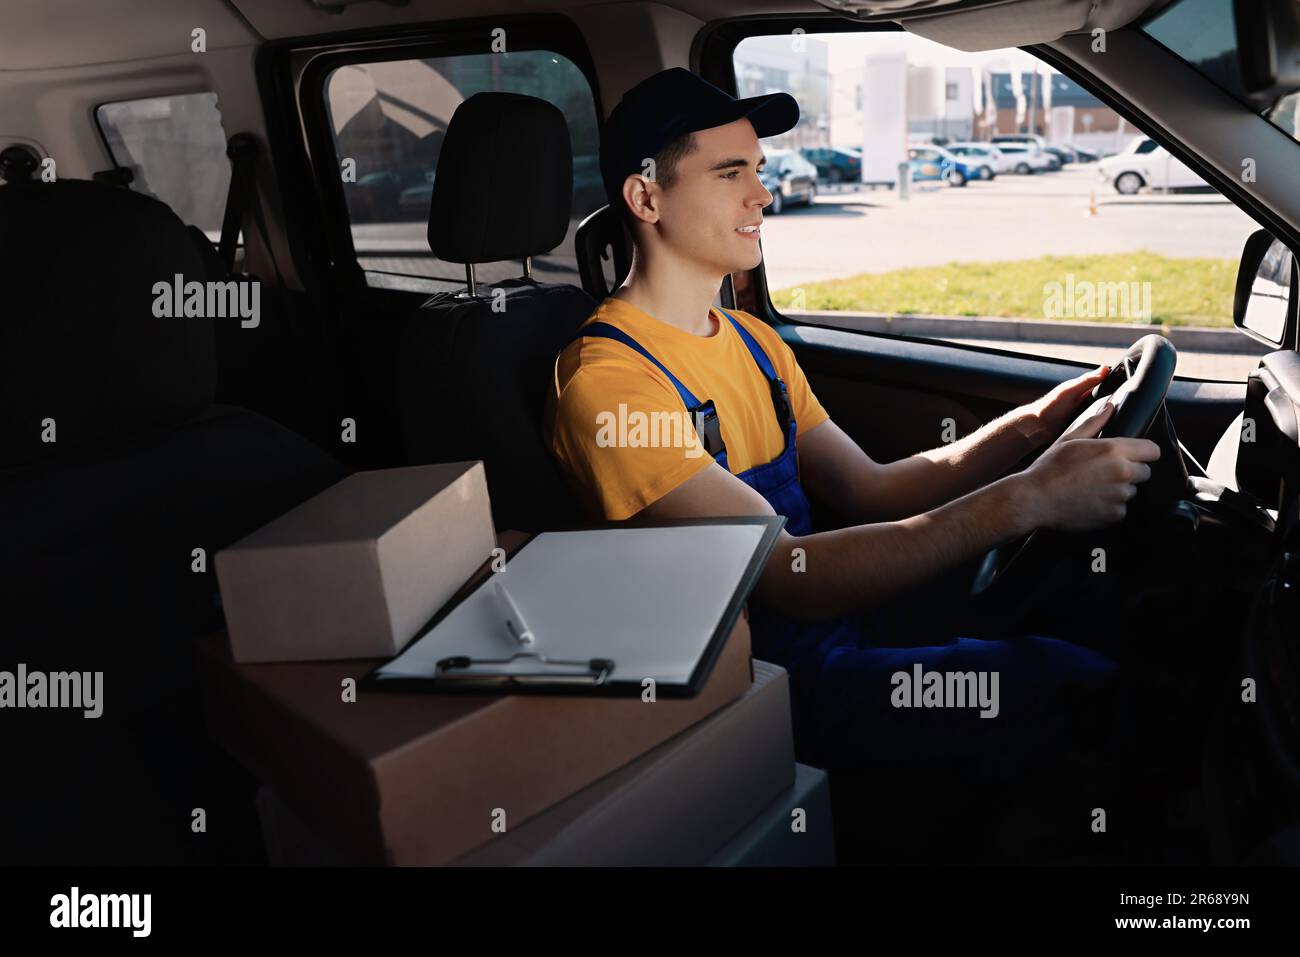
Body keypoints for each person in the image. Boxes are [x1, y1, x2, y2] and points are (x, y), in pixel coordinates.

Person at [543, 69, 1160, 859]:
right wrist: (1028, 501)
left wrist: (1033, 428)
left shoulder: (754, 345)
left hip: (839, 625)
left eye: (758, 172)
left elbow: (873, 487)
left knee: (1091, 626)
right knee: (1066, 685)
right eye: (731, 174)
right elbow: (788, 574)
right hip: (760, 683)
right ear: (646, 198)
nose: (762, 197)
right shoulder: (608, 383)